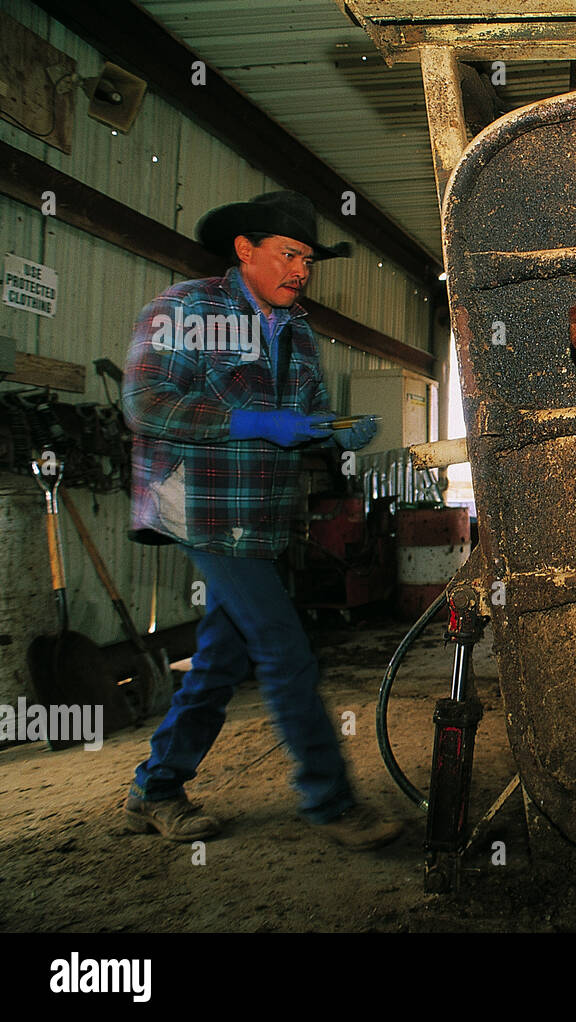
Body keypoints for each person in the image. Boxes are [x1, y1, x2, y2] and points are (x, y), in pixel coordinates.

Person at [120, 190, 402, 849]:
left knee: (223, 656)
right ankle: (330, 801)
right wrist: (251, 422)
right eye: (287, 254)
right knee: (285, 648)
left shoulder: (298, 329)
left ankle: (155, 788)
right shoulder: (187, 308)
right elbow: (146, 404)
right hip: (199, 506)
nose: (301, 270)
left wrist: (338, 430)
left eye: (307, 258)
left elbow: (305, 423)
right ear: (244, 250)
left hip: (263, 514)